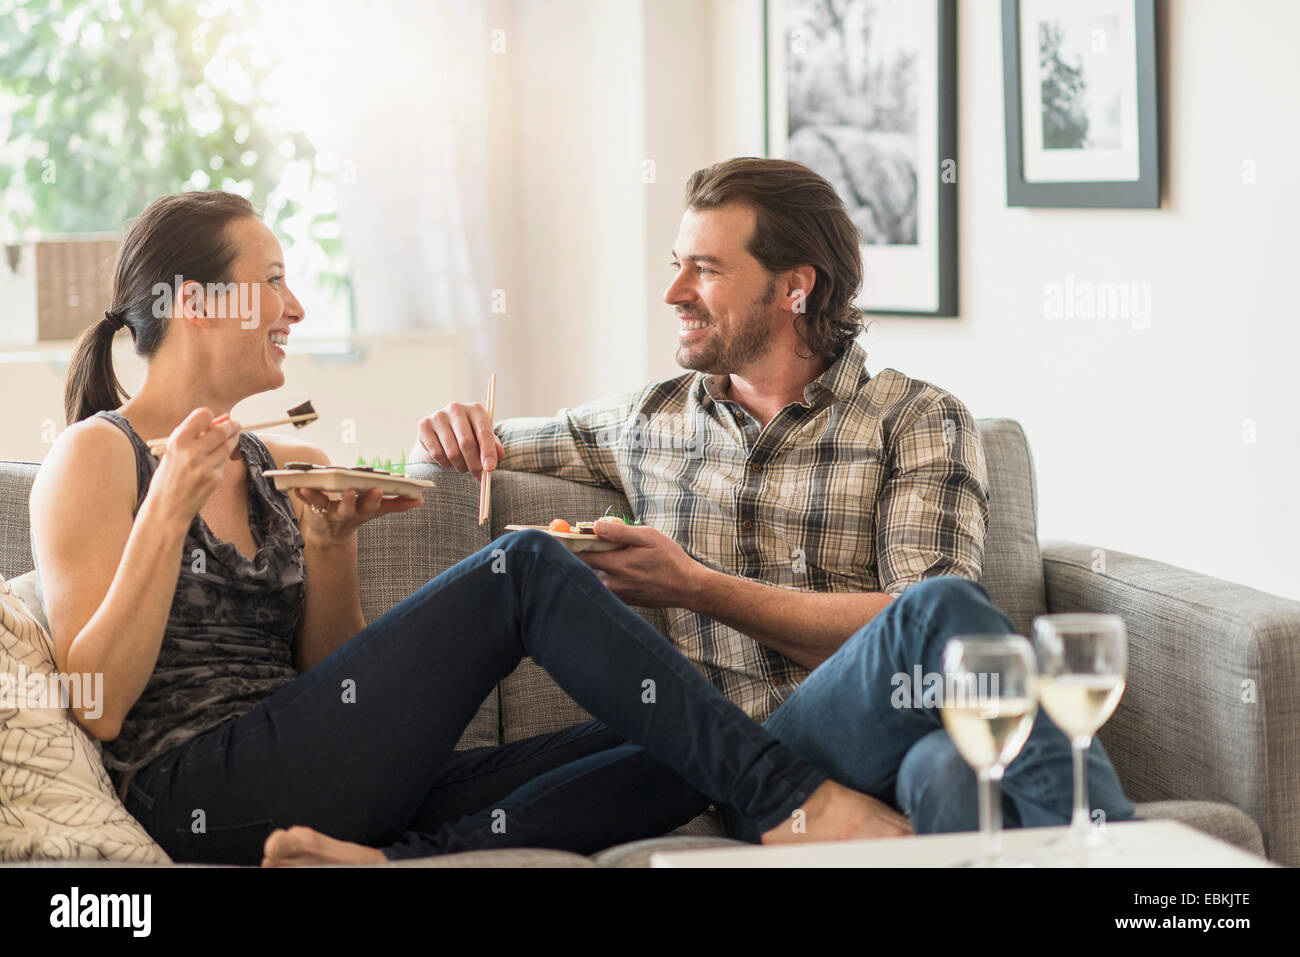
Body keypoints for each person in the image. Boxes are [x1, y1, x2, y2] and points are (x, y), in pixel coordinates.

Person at [27, 189, 911, 867]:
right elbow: (97, 706)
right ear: (194, 301)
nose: (294, 308)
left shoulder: (271, 459)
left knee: (683, 737)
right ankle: (793, 800)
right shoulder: (99, 455)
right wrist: (167, 508)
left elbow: (322, 683)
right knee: (521, 566)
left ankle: (387, 860)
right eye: (271, 283)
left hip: (306, 777)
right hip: (200, 797)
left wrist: (331, 548)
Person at [400, 157, 1137, 857]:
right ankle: (1141, 876)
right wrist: (449, 428)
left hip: (882, 734)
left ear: (795, 289)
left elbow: (924, 640)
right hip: (746, 768)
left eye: (706, 269)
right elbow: (475, 444)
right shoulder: (643, 422)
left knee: (947, 770)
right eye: (677, 264)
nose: (674, 292)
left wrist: (695, 585)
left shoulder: (916, 419)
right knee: (947, 610)